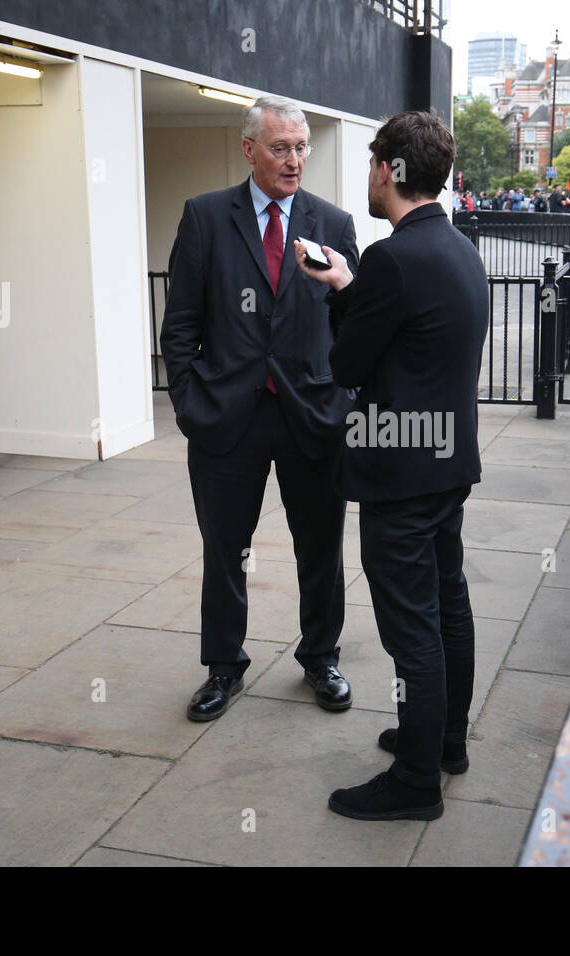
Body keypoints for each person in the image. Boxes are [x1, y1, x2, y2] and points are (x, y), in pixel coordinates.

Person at [294, 109, 488, 821]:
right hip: (445, 462)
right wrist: (353, 284)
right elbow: (413, 344)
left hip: (400, 474)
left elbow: (349, 364)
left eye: (374, 163)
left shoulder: (396, 258)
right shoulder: (458, 250)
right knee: (448, 606)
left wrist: (341, 291)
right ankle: (443, 743)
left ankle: (414, 782)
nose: (370, 176)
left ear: (388, 170)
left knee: (413, 631)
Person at [159, 94, 358, 722]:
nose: (294, 159)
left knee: (320, 546)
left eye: (301, 147)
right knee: (225, 549)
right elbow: (180, 325)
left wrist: (342, 397)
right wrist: (192, 403)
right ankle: (223, 666)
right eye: (281, 148)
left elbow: (350, 325)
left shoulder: (333, 222)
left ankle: (320, 656)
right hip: (227, 418)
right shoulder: (205, 217)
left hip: (311, 415)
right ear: (250, 150)